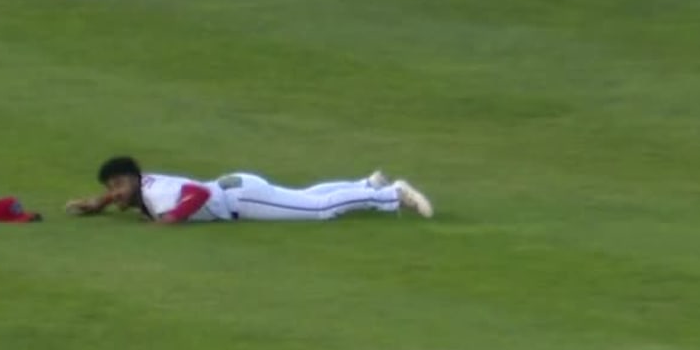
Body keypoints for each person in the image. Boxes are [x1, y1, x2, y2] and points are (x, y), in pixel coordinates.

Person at [65, 156, 433, 224]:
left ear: (134, 177)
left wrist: (171, 220)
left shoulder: (156, 195)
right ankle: (367, 185)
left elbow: (198, 195)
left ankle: (390, 195)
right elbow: (123, 197)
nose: (116, 192)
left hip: (238, 198)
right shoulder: (144, 186)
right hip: (238, 188)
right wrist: (98, 203)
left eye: (118, 184)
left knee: (319, 211)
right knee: (307, 197)